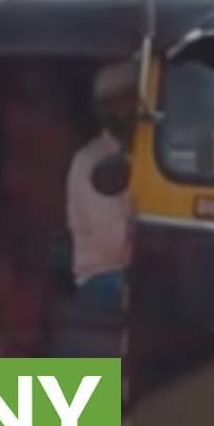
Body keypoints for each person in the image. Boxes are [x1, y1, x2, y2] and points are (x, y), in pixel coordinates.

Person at [65, 61, 138, 314]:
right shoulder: (91, 161)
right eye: (122, 101)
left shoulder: (155, 155)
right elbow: (113, 244)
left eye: (134, 99)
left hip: (146, 271)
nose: (131, 109)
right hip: (104, 276)